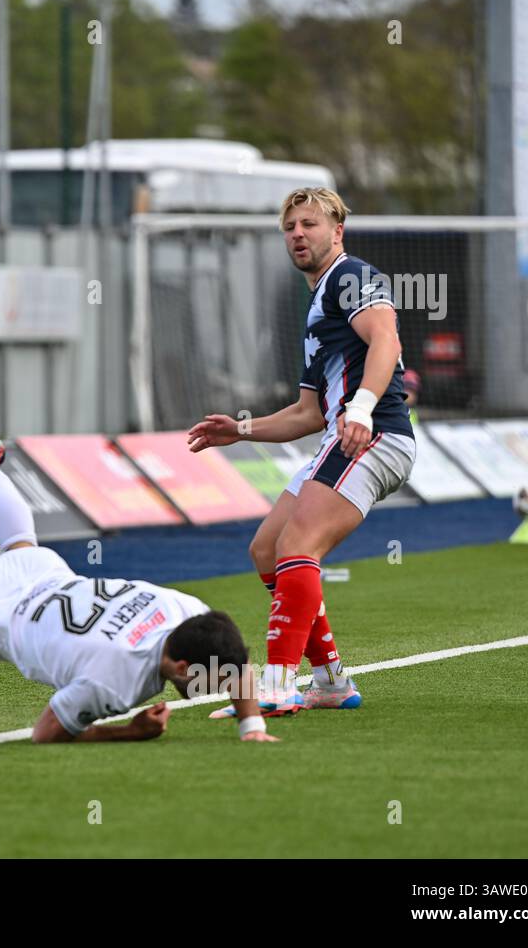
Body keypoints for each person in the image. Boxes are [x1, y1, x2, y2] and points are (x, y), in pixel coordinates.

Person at [0, 406, 278, 744]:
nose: (221, 686)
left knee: (20, 542)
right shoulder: (113, 681)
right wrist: (129, 732)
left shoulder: (187, 611)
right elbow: (46, 733)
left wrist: (251, 725)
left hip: (48, 575)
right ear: (180, 668)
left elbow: (234, 661)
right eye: (214, 683)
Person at [187, 187, 416, 717]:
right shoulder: (317, 306)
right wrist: (239, 431)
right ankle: (331, 681)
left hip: (374, 432)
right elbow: (307, 414)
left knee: (298, 543)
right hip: (344, 433)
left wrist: (360, 408)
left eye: (310, 224)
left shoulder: (350, 275)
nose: (298, 234)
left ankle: (276, 683)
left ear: (337, 231)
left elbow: (387, 341)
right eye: (290, 227)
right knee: (268, 549)